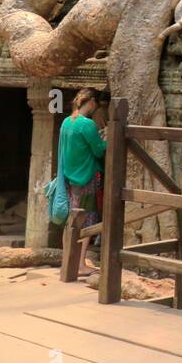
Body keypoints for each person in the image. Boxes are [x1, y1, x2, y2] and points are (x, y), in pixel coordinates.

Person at [59, 88, 107, 277]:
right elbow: (99, 150)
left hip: (70, 178)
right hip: (86, 178)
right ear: (93, 102)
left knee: (70, 221)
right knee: (86, 222)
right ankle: (80, 265)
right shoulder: (87, 125)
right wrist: (107, 136)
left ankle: (68, 262)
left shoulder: (66, 122)